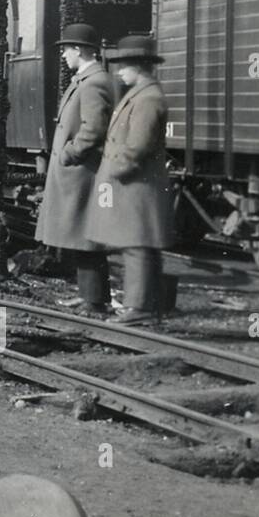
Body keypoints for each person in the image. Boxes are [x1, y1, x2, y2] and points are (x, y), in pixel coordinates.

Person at [87, 35, 175, 325]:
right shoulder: (142, 93)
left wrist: (113, 171)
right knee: (139, 245)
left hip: (137, 184)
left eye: (123, 65)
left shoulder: (148, 98)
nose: (119, 70)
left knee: (137, 245)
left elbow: (138, 145)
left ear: (138, 65)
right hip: (136, 185)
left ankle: (139, 308)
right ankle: (146, 307)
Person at [34, 23, 114, 316]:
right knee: (81, 236)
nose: (64, 55)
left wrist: (70, 153)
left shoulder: (94, 82)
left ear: (79, 50)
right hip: (77, 173)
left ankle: (94, 301)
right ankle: (90, 296)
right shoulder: (87, 80)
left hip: (82, 173)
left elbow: (93, 129)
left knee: (86, 235)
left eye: (66, 49)